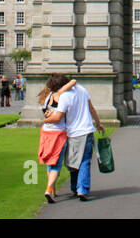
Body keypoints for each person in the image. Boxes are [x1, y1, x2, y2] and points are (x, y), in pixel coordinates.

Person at [42, 73, 106, 202]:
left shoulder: (64, 97)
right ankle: (82, 189)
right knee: (84, 161)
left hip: (73, 133)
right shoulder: (82, 89)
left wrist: (45, 120)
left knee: (73, 162)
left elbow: (58, 117)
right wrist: (98, 123)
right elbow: (91, 108)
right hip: (87, 130)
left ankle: (74, 188)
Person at [37, 77, 78, 203]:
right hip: (58, 133)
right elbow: (73, 82)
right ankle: (49, 189)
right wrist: (67, 83)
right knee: (56, 164)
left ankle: (53, 191)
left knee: (50, 162)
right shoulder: (58, 95)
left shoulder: (45, 97)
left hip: (45, 132)